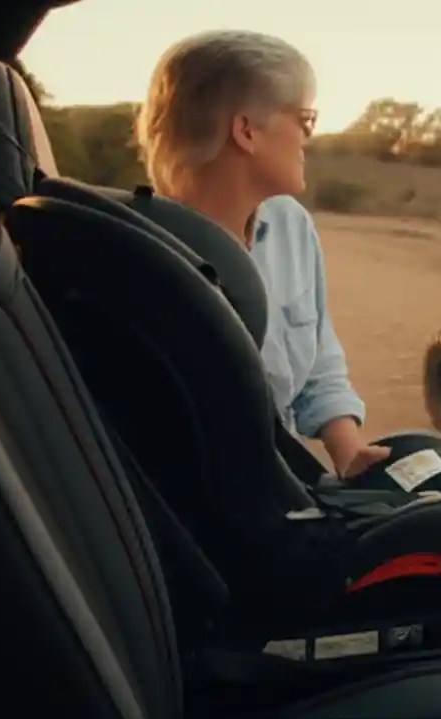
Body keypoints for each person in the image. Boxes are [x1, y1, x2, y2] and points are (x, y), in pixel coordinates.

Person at [133, 30, 392, 479]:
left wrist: (348, 451)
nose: (309, 138)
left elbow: (319, 361)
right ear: (246, 129)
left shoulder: (291, 225)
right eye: (305, 119)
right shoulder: (142, 254)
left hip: (284, 485)